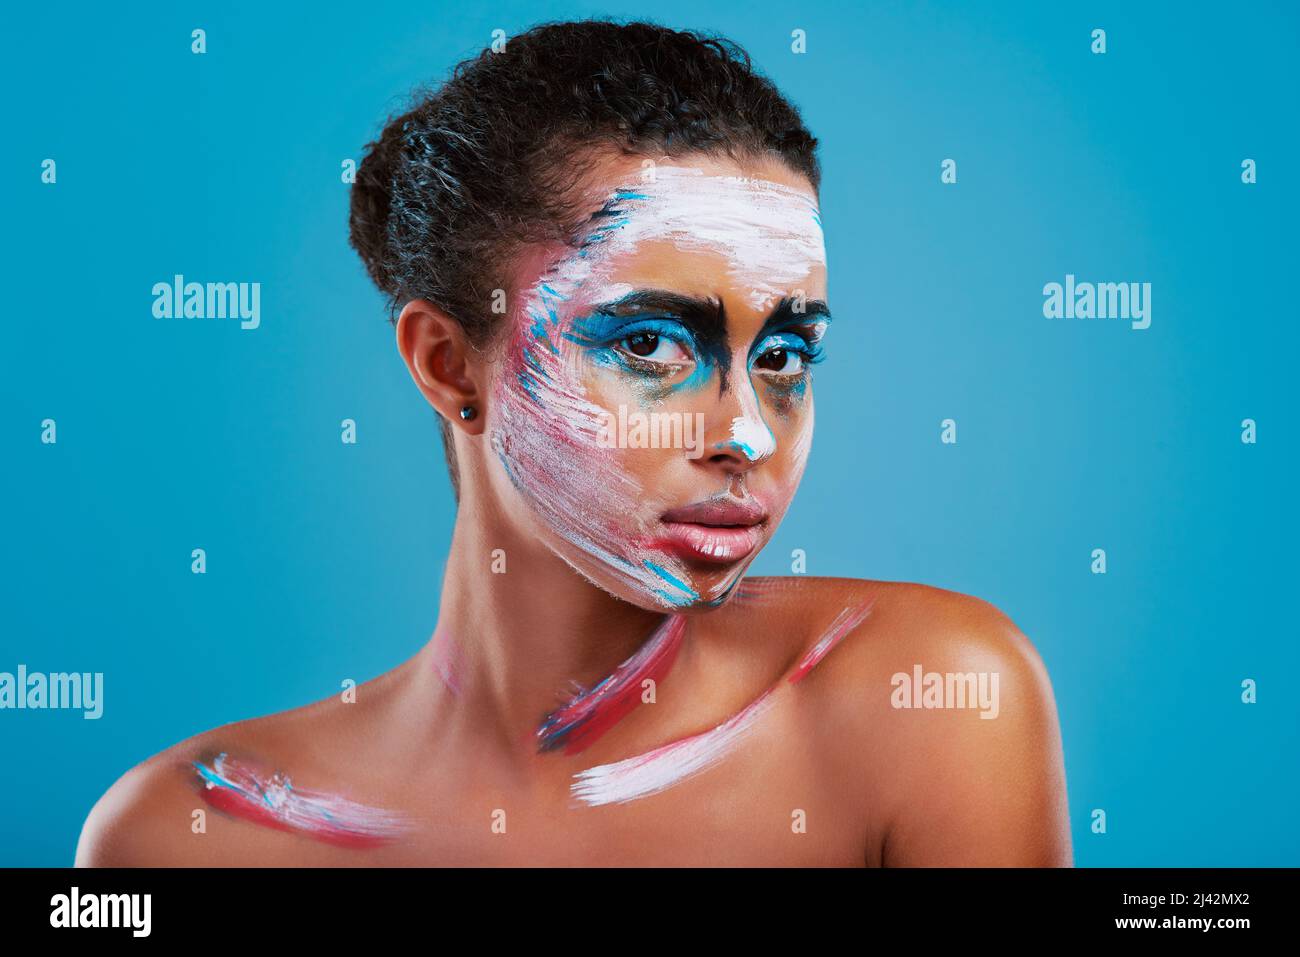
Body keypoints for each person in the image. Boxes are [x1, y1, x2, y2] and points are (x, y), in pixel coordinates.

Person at [77, 19, 1071, 866]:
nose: (744, 434)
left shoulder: (927, 703)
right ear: (448, 365)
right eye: (648, 343)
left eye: (781, 356)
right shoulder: (196, 831)